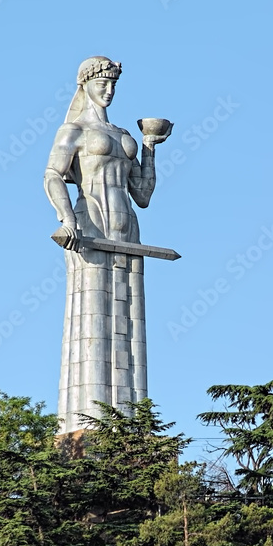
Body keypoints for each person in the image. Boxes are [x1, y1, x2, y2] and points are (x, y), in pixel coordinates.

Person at [43, 56, 170, 433]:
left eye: (114, 84)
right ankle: (85, 424)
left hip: (127, 227)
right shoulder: (73, 130)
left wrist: (149, 146)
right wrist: (66, 218)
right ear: (86, 86)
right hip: (90, 224)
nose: (109, 91)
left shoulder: (123, 136)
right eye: (103, 84)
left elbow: (143, 194)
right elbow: (52, 175)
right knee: (92, 311)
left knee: (130, 318)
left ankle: (129, 429)